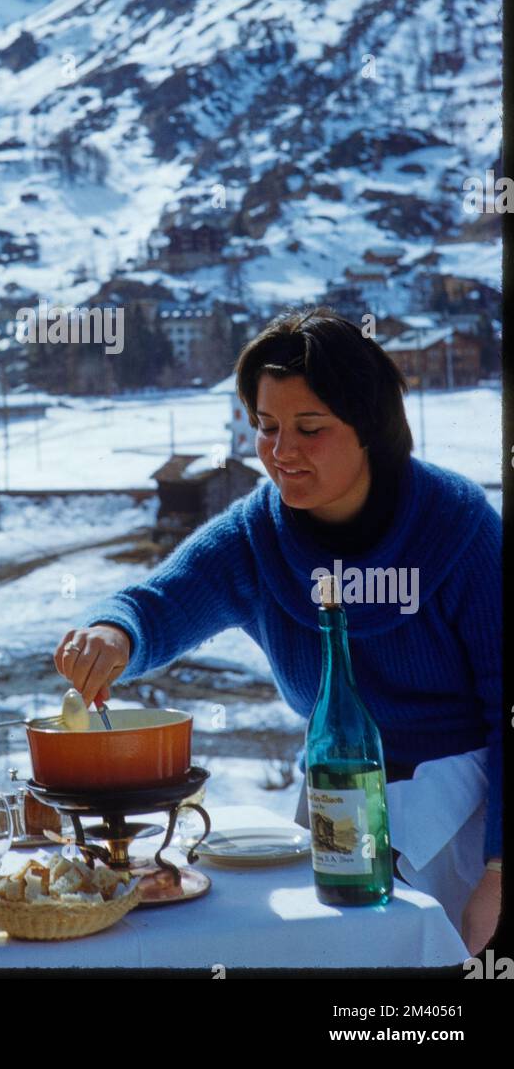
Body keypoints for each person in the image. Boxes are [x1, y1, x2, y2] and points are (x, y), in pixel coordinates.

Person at [54, 307, 501, 954]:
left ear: (369, 427)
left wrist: (499, 872)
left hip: (468, 819)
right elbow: (159, 602)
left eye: (309, 428)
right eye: (266, 427)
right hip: (335, 802)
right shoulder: (257, 535)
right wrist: (112, 633)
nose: (281, 451)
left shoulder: (457, 525)